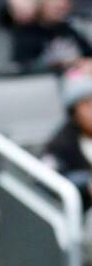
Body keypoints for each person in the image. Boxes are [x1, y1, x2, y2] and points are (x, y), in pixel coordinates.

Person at [3, 0, 92, 75]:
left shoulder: (70, 30)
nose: (62, 5)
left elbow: (88, 57)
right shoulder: (25, 33)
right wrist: (61, 65)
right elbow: (20, 68)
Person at [42, 70, 92, 208]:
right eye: (86, 104)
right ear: (73, 112)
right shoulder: (61, 144)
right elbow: (46, 182)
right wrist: (84, 184)